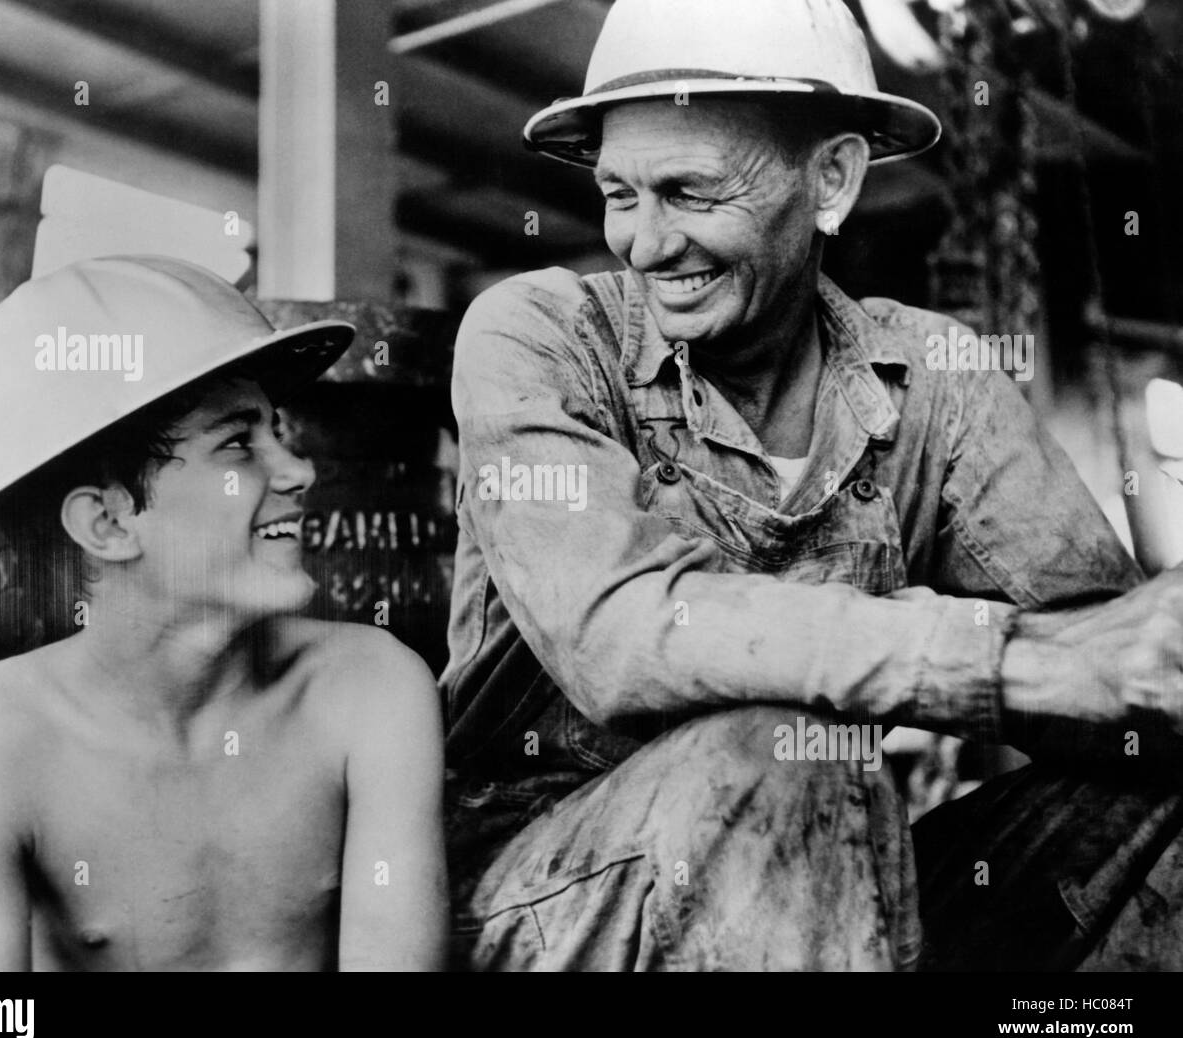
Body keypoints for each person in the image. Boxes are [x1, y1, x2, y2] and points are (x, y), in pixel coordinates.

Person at [441, 0, 1183, 970]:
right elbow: (616, 634)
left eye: (690, 193)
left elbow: (1109, 664)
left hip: (820, 895)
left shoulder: (934, 377)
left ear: (831, 178)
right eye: (621, 194)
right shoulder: (537, 335)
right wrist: (1007, 663)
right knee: (778, 750)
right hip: (560, 900)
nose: (643, 243)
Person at [0, 256, 448, 971]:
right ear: (108, 523)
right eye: (238, 445)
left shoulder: (373, 691)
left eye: (279, 432)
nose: (299, 471)